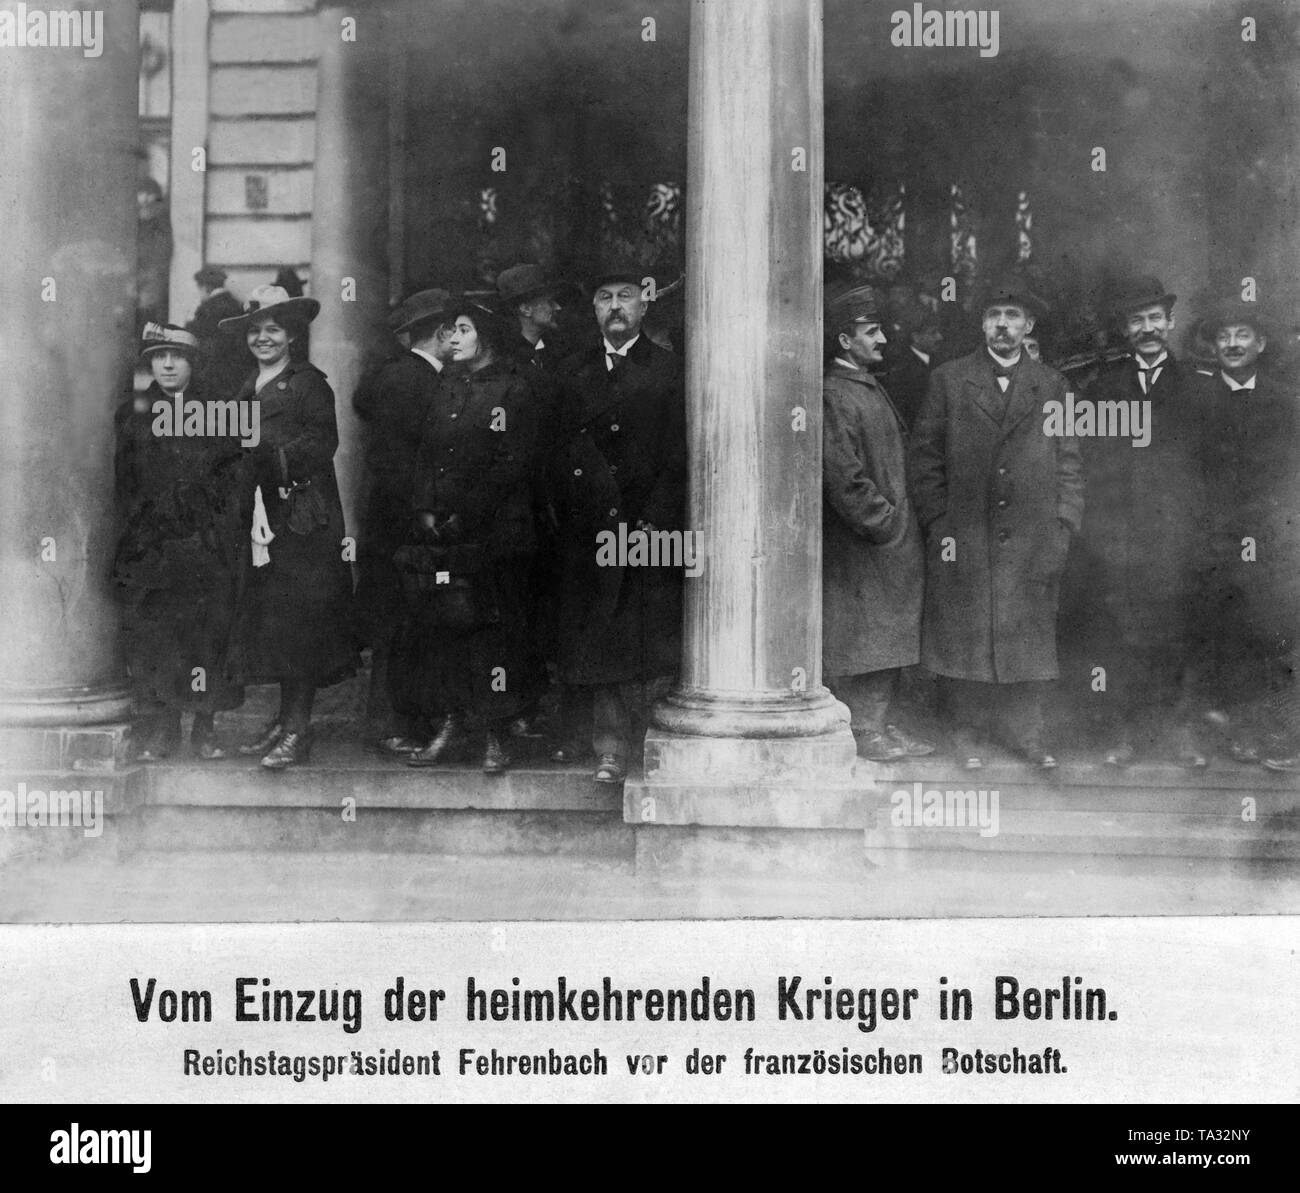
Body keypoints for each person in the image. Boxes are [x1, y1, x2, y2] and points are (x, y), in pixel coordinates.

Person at [908, 278, 1084, 770]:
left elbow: (1070, 463)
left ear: (1029, 325)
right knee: (964, 635)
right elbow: (924, 460)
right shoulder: (948, 380)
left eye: (1011, 317)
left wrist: (1063, 526)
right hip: (965, 535)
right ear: (981, 323)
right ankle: (966, 736)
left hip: (1032, 537)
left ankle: (1027, 737)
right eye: (992, 316)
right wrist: (940, 523)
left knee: (1027, 633)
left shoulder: (1053, 385)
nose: (1001, 326)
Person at [549, 264, 687, 782]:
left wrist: (656, 522)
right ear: (593, 309)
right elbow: (555, 452)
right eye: (604, 296)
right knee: (598, 636)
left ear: (644, 305)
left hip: (650, 527)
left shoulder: (669, 370)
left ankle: (648, 740)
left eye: (625, 296)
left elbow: (679, 455)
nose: (614, 306)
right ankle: (607, 747)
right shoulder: (570, 371)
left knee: (649, 635)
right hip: (589, 528)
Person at [218, 285, 357, 769]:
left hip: (301, 519)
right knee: (274, 622)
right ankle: (283, 721)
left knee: (301, 622)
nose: (263, 338)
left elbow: (322, 444)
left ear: (292, 335)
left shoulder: (308, 384)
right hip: (258, 518)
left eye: (273, 329)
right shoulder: (245, 386)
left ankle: (299, 729)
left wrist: (266, 462)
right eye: (255, 330)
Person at [402, 303, 541, 774]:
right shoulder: (446, 387)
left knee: (494, 635)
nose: (453, 338)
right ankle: (451, 722)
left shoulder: (513, 388)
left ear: (489, 337)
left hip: (495, 535)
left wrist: (465, 515)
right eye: (449, 330)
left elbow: (510, 463)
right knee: (446, 629)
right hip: (443, 534)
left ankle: (498, 733)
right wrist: (425, 510)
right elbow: (426, 454)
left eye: (464, 329)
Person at [1075, 275, 1208, 767]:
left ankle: (1177, 734)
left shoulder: (1198, 388)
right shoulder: (1102, 389)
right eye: (1137, 320)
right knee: (1118, 636)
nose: (1147, 328)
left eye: (1155, 318)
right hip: (1120, 539)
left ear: (1170, 323)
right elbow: (1090, 466)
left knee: (1175, 633)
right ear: (1125, 329)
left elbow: (1208, 470)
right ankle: (1123, 734)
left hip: (1176, 538)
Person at [111, 324, 245, 761]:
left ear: (193, 362)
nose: (167, 364)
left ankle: (204, 726)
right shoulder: (135, 412)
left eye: (177, 356)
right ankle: (165, 727)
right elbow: (125, 482)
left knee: (207, 637)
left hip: (205, 543)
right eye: (159, 356)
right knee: (161, 638)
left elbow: (233, 474)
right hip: (156, 545)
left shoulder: (218, 412)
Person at [821, 283, 932, 761]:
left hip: (889, 542)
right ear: (845, 341)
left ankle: (878, 724)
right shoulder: (834, 393)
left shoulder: (864, 385)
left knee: (887, 634)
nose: (883, 339)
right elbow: (843, 475)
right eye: (871, 331)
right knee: (868, 637)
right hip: (868, 543)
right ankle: (865, 731)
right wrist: (885, 523)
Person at [1190, 300, 1300, 769]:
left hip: (1271, 541)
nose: (1232, 344)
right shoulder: (1194, 402)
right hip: (1213, 540)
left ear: (1260, 344)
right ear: (1214, 348)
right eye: (1223, 337)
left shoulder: (1285, 401)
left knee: (1271, 637)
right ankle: (1229, 737)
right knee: (1220, 636)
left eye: (1242, 335)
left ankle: (1275, 736)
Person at [352, 288, 458, 755]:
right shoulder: (413, 381)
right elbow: (398, 460)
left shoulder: (395, 375)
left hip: (394, 519)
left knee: (401, 624)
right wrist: (426, 512)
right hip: (407, 522)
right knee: (402, 625)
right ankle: (393, 726)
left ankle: (404, 722)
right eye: (453, 330)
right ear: (440, 333)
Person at [187, 266, 252, 399]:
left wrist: (189, 319)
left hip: (212, 374)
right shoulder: (238, 305)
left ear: (204, 287)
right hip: (237, 373)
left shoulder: (205, 308)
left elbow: (191, 337)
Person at [883, 301, 945, 430]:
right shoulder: (902, 371)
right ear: (916, 337)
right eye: (933, 333)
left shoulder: (940, 361)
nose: (940, 337)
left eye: (939, 332)